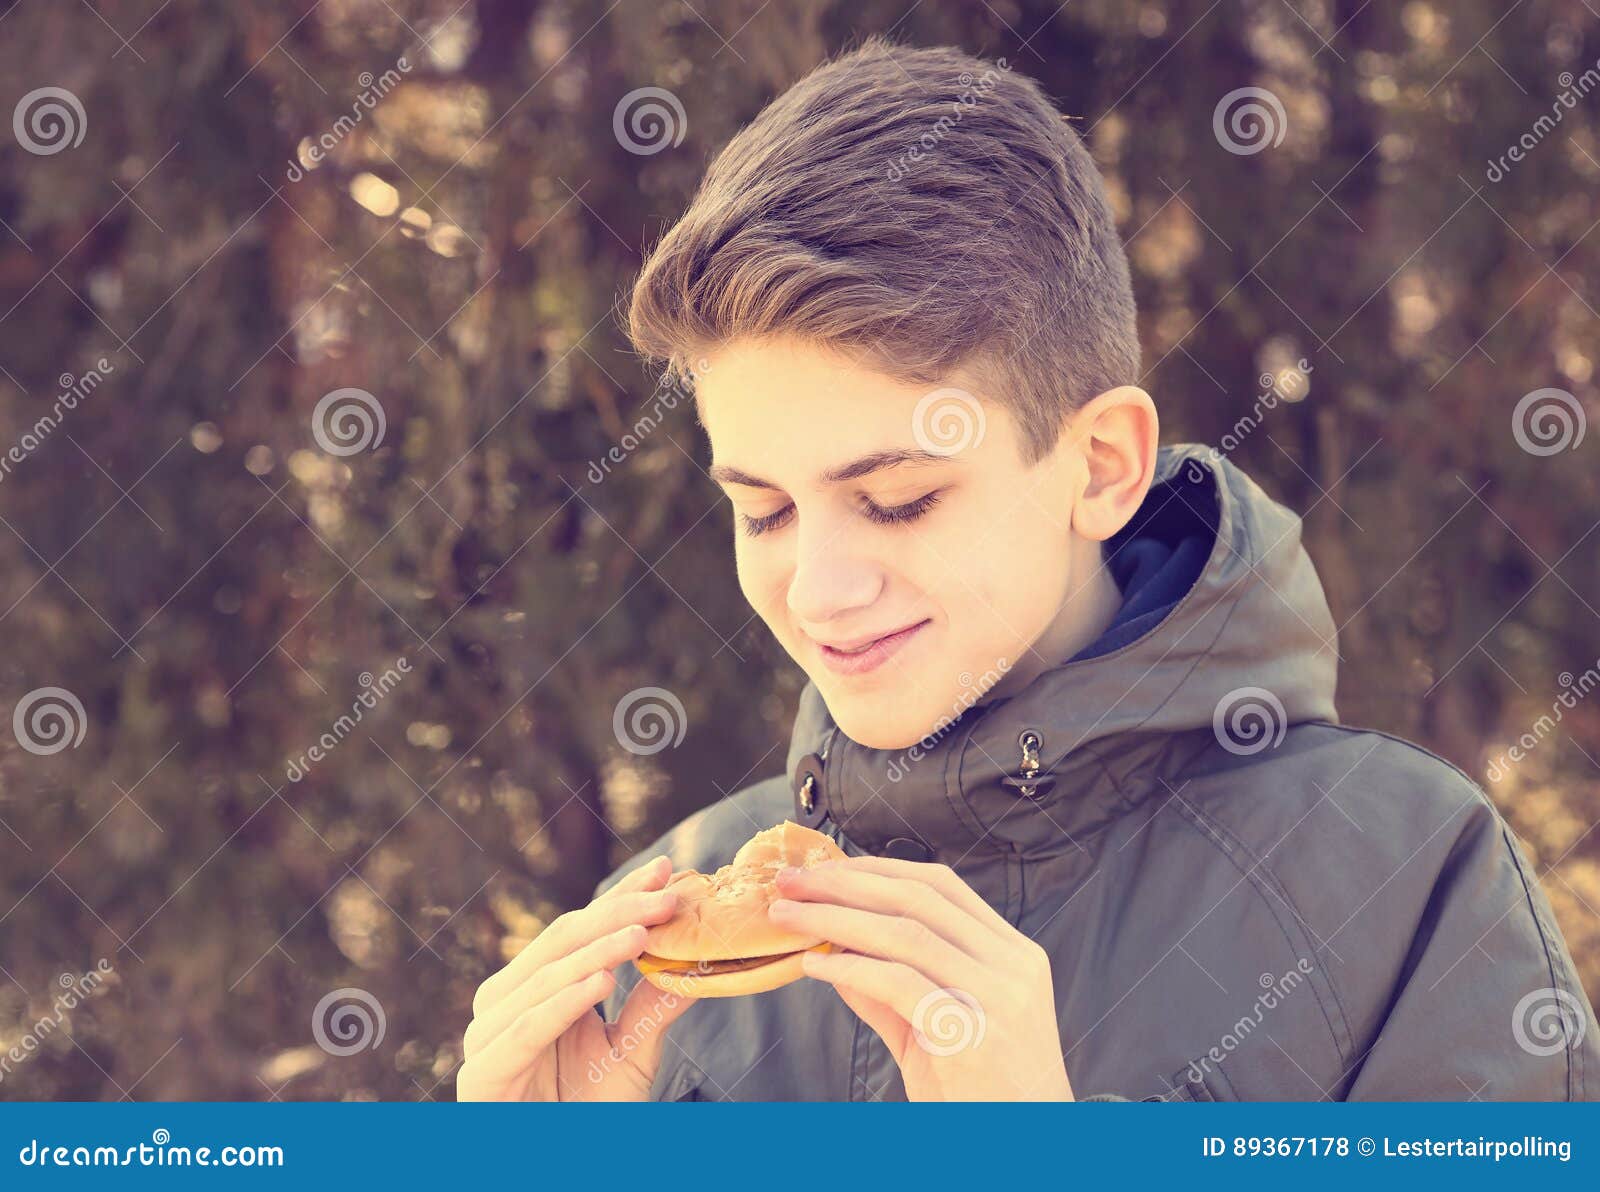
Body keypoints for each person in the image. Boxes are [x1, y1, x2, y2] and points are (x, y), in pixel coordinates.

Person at [457, 37, 1600, 1102]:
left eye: (897, 499)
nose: (816, 590)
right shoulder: (667, 949)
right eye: (762, 512)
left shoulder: (1401, 884)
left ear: (1099, 465)